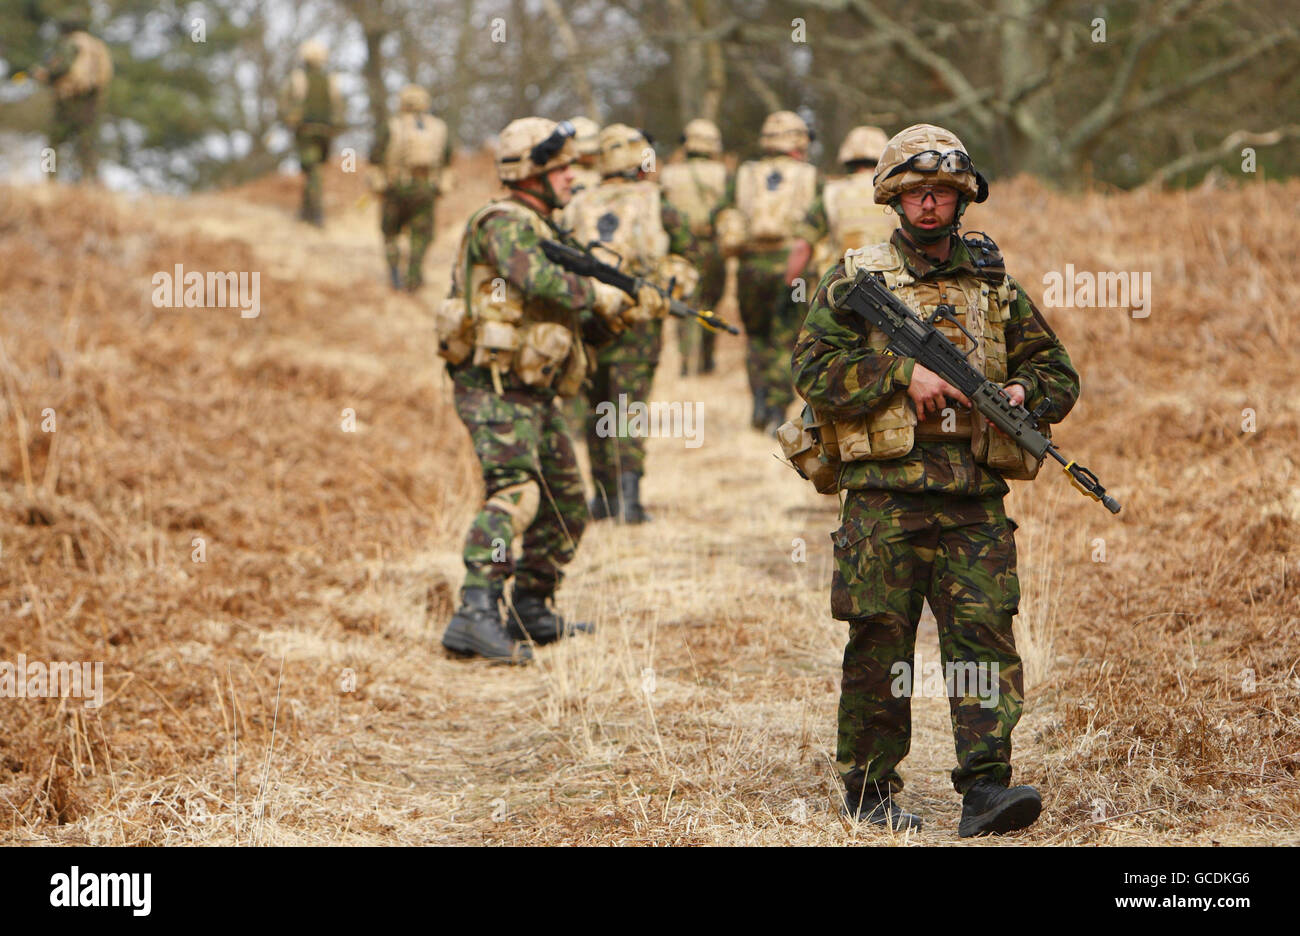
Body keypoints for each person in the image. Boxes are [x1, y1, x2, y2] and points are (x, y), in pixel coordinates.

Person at [791, 123, 1081, 836]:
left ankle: (986, 789)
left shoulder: (992, 285)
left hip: (973, 496)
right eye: (918, 192)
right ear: (895, 198)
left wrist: (1020, 396)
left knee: (983, 640)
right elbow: (811, 370)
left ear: (962, 200)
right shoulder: (856, 279)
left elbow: (1057, 374)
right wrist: (898, 375)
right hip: (884, 500)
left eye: (943, 193)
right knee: (879, 642)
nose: (930, 205)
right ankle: (869, 789)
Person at [436, 117, 665, 663]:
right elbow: (538, 279)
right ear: (533, 173)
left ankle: (531, 608)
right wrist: (603, 294)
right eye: (562, 169)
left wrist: (626, 308)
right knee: (516, 492)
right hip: (494, 386)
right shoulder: (503, 222)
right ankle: (475, 612)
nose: (572, 178)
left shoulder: (544, 226)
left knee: (565, 503)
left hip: (533, 390)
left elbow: (563, 303)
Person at [563, 124, 697, 524]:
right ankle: (630, 500)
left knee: (595, 406)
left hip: (588, 321)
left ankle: (602, 499)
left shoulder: (576, 204)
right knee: (628, 407)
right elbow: (689, 250)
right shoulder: (657, 201)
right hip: (638, 324)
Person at [714, 110, 822, 435]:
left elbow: (721, 212)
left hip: (751, 267)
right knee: (788, 338)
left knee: (756, 337)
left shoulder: (745, 174)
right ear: (799, 140)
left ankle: (759, 402)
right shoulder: (810, 175)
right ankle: (777, 408)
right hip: (795, 269)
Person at [659, 118, 729, 376]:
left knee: (684, 301)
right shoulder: (722, 174)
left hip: (680, 246)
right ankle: (706, 359)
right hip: (711, 245)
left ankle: (685, 360)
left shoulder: (669, 174)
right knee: (711, 302)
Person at [787, 125, 895, 283]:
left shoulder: (830, 194)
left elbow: (801, 247)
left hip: (839, 287)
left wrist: (790, 290)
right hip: (891, 286)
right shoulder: (897, 192)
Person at [370, 84, 449, 291]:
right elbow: (447, 158)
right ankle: (414, 276)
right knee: (421, 234)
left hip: (395, 188)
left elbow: (375, 156)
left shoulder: (392, 125)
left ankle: (395, 274)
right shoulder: (439, 128)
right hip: (426, 188)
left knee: (390, 232)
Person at [30, 15, 112, 182]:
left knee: (53, 143)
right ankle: (91, 180)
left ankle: (50, 178)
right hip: (90, 100)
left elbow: (63, 67)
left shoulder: (70, 43)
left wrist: (45, 75)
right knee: (87, 143)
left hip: (68, 100)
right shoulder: (95, 45)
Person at [278, 40, 343, 226]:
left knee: (312, 171)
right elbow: (340, 108)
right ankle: (309, 212)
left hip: (306, 132)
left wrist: (291, 121)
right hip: (325, 132)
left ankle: (314, 213)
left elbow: (283, 105)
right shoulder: (331, 80)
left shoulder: (297, 79)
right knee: (315, 170)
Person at [567, 116, 602, 196]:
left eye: (593, 152)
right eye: (586, 153)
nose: (591, 156)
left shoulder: (602, 166)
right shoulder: (567, 174)